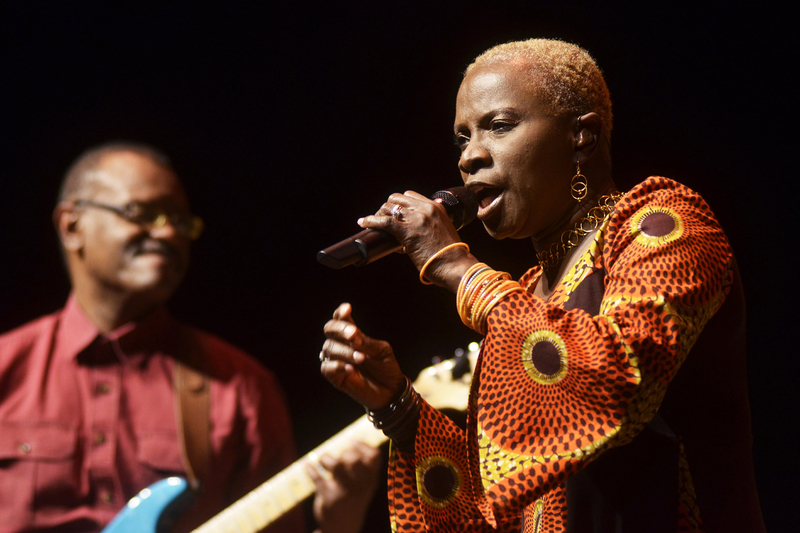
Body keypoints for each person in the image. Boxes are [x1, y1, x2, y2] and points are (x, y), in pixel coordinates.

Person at [319, 38, 765, 532]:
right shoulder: (526, 302)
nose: (470, 157)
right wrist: (398, 408)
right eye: (462, 138)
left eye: (499, 126)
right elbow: (494, 515)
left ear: (583, 138)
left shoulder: (667, 228)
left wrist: (455, 266)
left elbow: (615, 386)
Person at [0, 142, 381, 533]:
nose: (167, 233)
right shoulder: (6, 366)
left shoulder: (242, 388)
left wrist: (340, 523)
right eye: (142, 213)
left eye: (181, 221)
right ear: (71, 226)